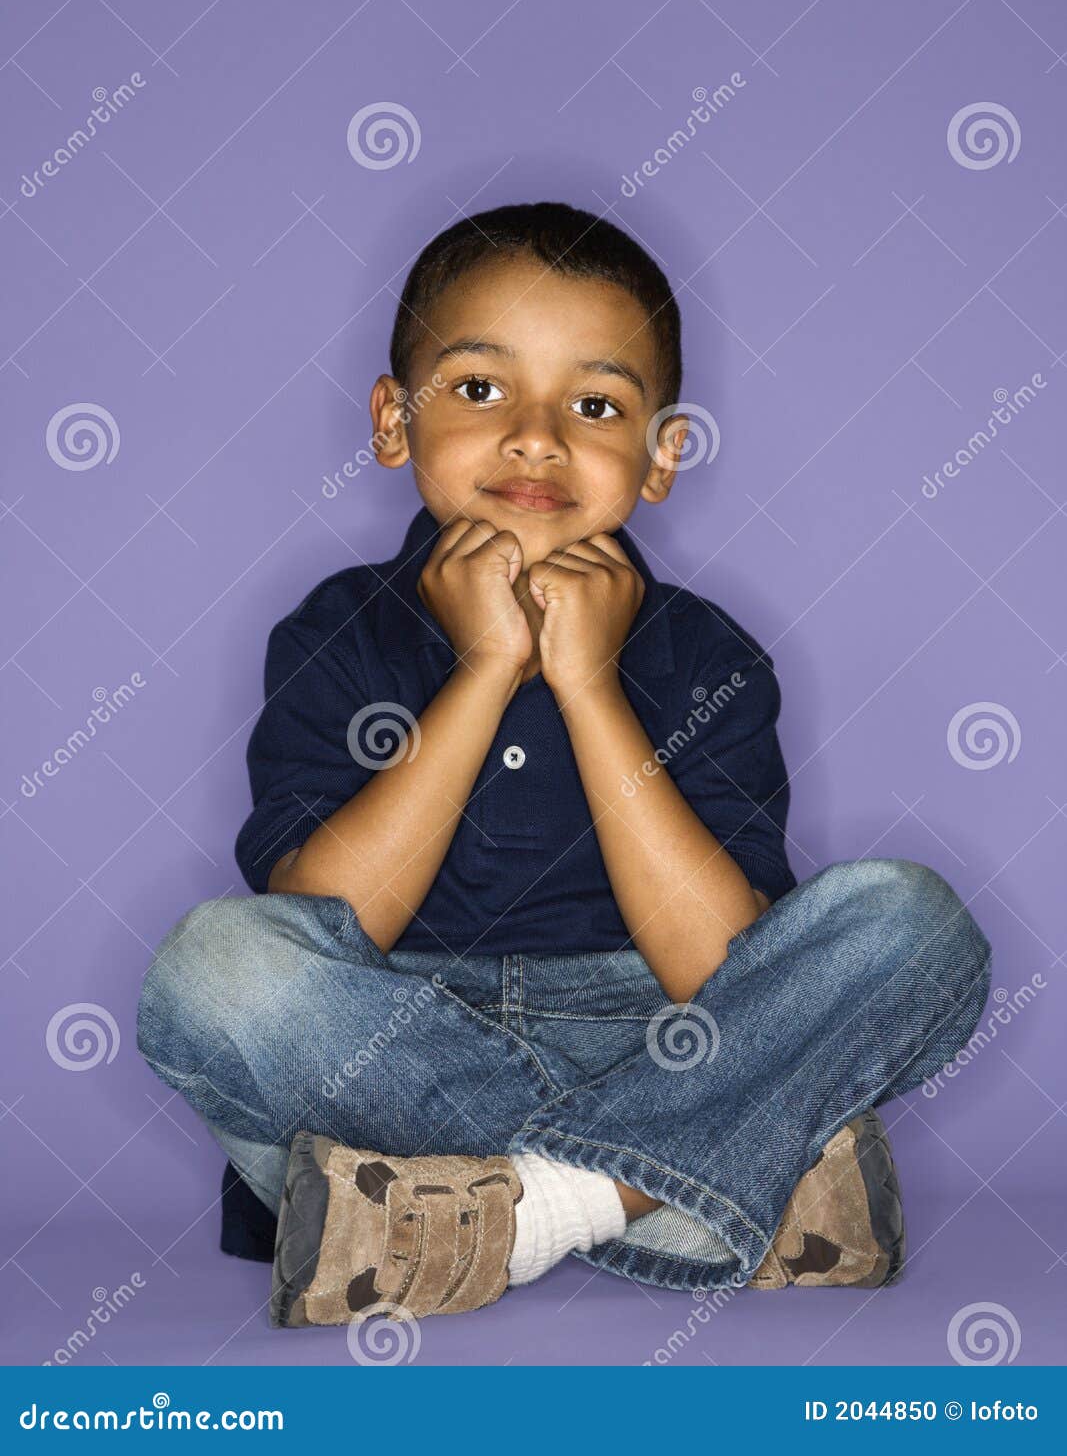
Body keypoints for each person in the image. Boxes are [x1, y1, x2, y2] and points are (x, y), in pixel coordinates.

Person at [136, 202, 991, 1329]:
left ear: (662, 453)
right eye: (481, 389)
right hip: (399, 1033)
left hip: (659, 1031)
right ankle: (707, 1184)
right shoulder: (334, 630)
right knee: (218, 969)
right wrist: (486, 667)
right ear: (394, 422)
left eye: (594, 405)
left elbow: (717, 970)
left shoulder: (709, 655)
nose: (536, 437)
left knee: (909, 923)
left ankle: (477, 1216)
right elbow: (328, 922)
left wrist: (589, 688)